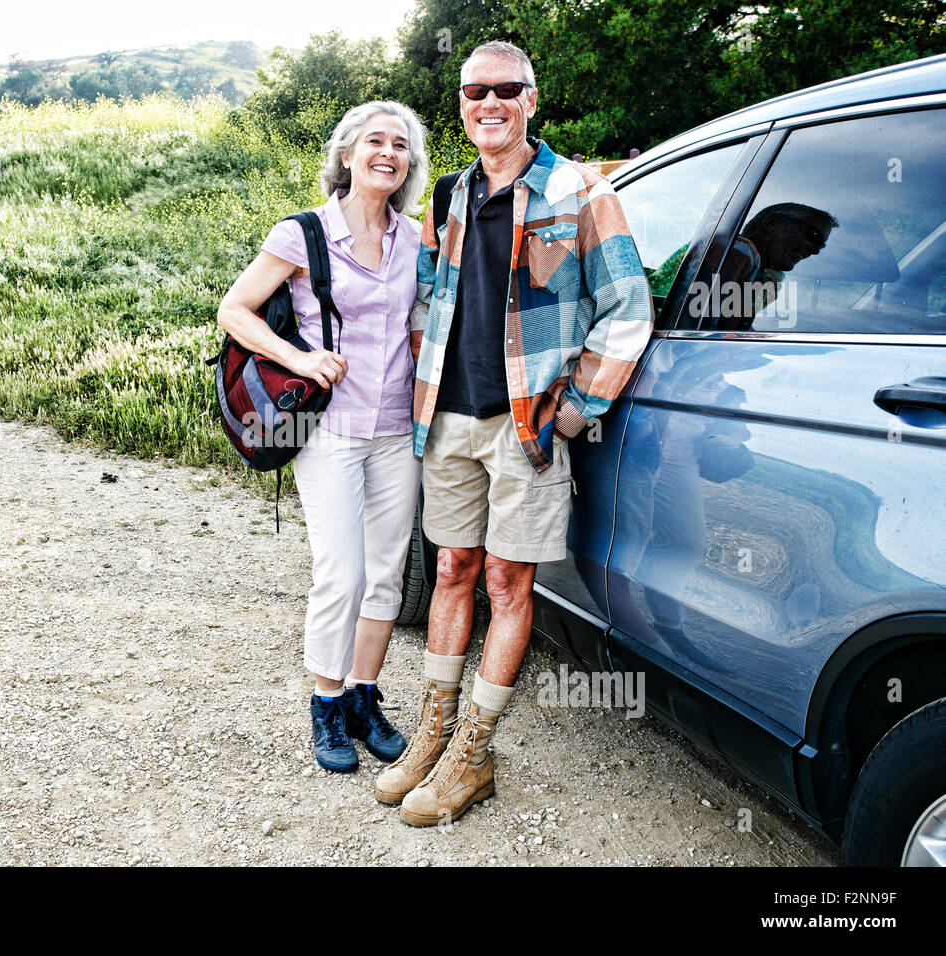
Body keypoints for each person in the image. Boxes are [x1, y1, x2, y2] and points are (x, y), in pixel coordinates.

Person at [375, 41, 654, 824]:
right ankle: (433, 731)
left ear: (532, 99)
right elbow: (428, 299)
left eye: (506, 90)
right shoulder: (448, 197)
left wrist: (576, 409)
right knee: (453, 567)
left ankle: (473, 752)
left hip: (528, 425)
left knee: (507, 582)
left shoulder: (578, 192)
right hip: (450, 420)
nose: (488, 103)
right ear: (460, 104)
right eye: (474, 92)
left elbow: (628, 309)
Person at [217, 101, 429, 773]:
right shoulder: (302, 235)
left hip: (397, 429)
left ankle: (366, 697)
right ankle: (326, 703)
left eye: (400, 145)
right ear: (347, 155)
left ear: (408, 166)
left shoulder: (417, 237)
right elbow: (234, 309)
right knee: (343, 573)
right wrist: (300, 358)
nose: (387, 152)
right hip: (330, 431)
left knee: (387, 575)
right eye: (375, 141)